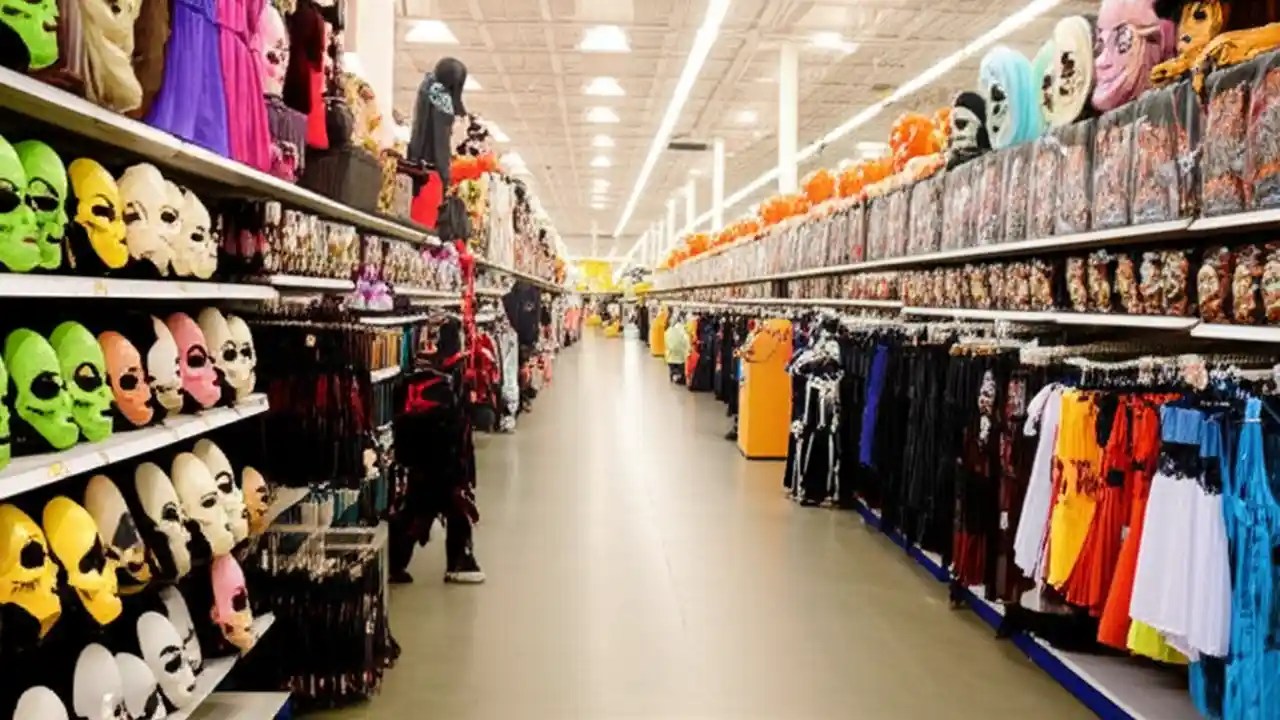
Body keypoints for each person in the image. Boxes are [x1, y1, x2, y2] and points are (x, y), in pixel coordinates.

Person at [664, 313, 690, 384]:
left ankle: (673, 375)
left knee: (672, 366)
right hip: (681, 357)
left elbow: (666, 343)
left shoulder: (668, 331)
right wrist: (688, 351)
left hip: (670, 356)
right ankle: (681, 377)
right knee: (682, 366)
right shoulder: (683, 329)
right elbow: (686, 341)